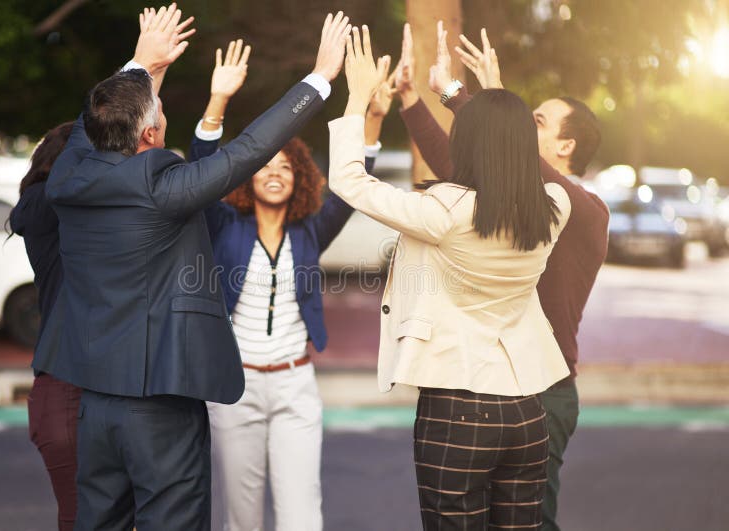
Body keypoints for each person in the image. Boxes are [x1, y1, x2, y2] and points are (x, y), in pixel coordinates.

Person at [34, 5, 352, 529]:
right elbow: (251, 149)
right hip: (161, 403)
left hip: (94, 403)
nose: (159, 112)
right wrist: (319, 78)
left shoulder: (68, 178)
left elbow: (97, 123)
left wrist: (142, 63)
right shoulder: (165, 190)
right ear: (152, 138)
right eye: (157, 111)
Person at [330, 25, 572, 530]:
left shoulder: (445, 210)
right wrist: (477, 94)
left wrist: (355, 98)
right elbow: (518, 159)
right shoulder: (554, 207)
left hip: (457, 408)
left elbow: (350, 180)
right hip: (528, 408)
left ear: (470, 143)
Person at [397, 22, 609, 531]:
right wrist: (409, 99)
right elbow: (460, 157)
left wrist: (467, 94)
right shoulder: (512, 201)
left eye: (535, 121)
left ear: (566, 146)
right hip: (487, 385)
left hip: (544, 388)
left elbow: (503, 147)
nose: (519, 128)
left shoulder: (582, 209)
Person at [186, 40, 392, 531]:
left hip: (296, 383)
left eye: (285, 166)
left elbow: (351, 185)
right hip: (235, 385)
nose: (274, 172)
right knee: (242, 514)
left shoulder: (310, 230)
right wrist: (219, 100)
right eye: (264, 165)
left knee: (302, 513)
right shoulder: (221, 223)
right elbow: (201, 162)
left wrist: (372, 117)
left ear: (299, 178)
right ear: (246, 175)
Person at [9, 121, 80, 531]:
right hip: (64, 381)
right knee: (81, 517)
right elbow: (32, 209)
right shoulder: (41, 203)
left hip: (112, 383)